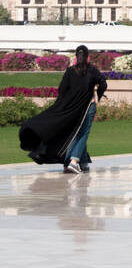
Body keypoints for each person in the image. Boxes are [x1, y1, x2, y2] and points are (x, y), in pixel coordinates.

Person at [18, 44, 108, 174]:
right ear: (88, 58)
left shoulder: (70, 71)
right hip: (87, 108)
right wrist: (97, 97)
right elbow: (103, 84)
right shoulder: (92, 70)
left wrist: (64, 105)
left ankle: (80, 163)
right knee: (82, 134)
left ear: (76, 58)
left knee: (75, 134)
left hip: (71, 109)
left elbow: (62, 91)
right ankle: (74, 161)